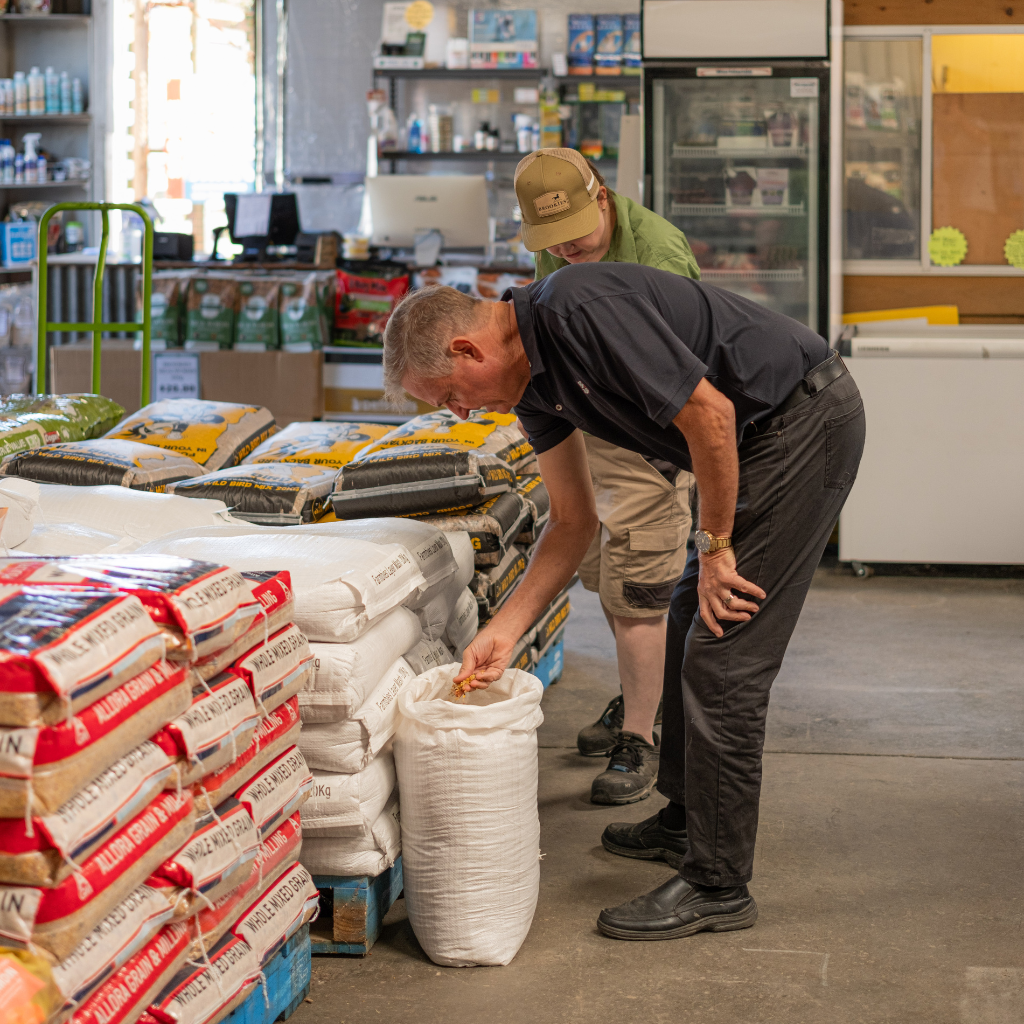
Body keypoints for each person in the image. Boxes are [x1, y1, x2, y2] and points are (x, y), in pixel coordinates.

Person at [381, 263, 865, 941]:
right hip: (751, 442)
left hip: (799, 423)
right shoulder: (534, 389)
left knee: (724, 655)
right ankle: (688, 818)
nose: (457, 413)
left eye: (448, 397)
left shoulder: (578, 310)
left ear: (468, 351)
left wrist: (718, 545)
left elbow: (711, 414)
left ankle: (718, 884)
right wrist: (506, 629)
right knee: (686, 616)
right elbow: (572, 521)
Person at [513, 147, 699, 806]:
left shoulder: (659, 254)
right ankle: (637, 696)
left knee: (641, 592)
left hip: (651, 436)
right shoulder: (558, 249)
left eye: (573, 236)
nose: (561, 250)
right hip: (592, 428)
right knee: (608, 580)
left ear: (601, 198)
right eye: (548, 241)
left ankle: (644, 740)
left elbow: (686, 383)